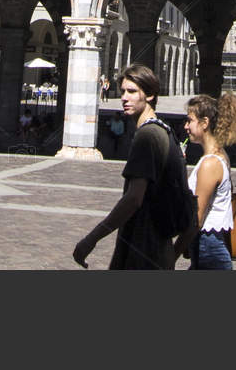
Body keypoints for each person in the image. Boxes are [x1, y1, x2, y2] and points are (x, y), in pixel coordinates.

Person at [73, 65, 178, 270]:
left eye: (131, 92)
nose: (124, 98)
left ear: (150, 95)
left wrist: (92, 238)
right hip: (159, 247)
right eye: (122, 91)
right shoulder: (166, 131)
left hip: (142, 248)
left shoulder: (147, 137)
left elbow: (133, 198)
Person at [179, 93, 236, 270]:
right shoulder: (218, 155)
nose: (186, 126)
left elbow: (196, 218)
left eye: (189, 120)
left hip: (208, 249)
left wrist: (174, 251)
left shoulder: (210, 163)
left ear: (204, 123)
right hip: (208, 247)